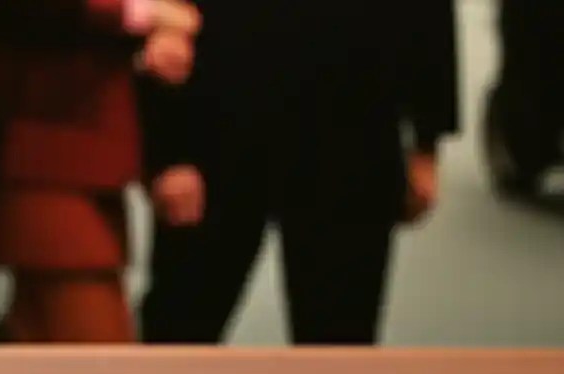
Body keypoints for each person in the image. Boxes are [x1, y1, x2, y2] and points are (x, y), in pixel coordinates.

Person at [139, 0, 459, 344]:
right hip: (213, 128)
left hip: (353, 130)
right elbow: (163, 18)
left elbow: (427, 13)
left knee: (338, 343)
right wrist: (164, 149)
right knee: (179, 331)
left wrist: (428, 141)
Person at [0, 0, 201, 342]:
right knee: (93, 350)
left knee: (40, 334)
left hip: (86, 149)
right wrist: (143, 14)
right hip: (44, 143)